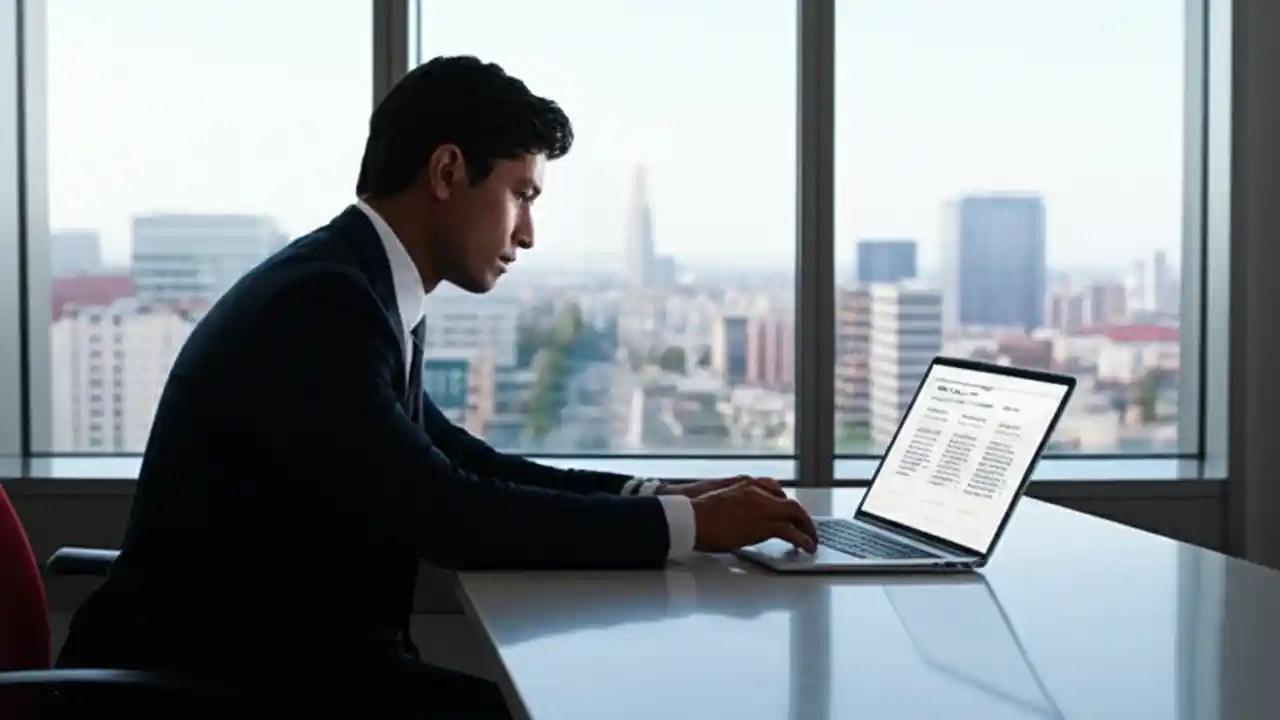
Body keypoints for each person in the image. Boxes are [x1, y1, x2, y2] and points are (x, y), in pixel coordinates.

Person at [56, 55, 818, 717]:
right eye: (522, 194)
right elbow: (451, 514)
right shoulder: (322, 306)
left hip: (272, 665)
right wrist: (688, 530)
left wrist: (665, 498)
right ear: (448, 171)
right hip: (211, 690)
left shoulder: (358, 284)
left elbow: (463, 462)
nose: (527, 233)